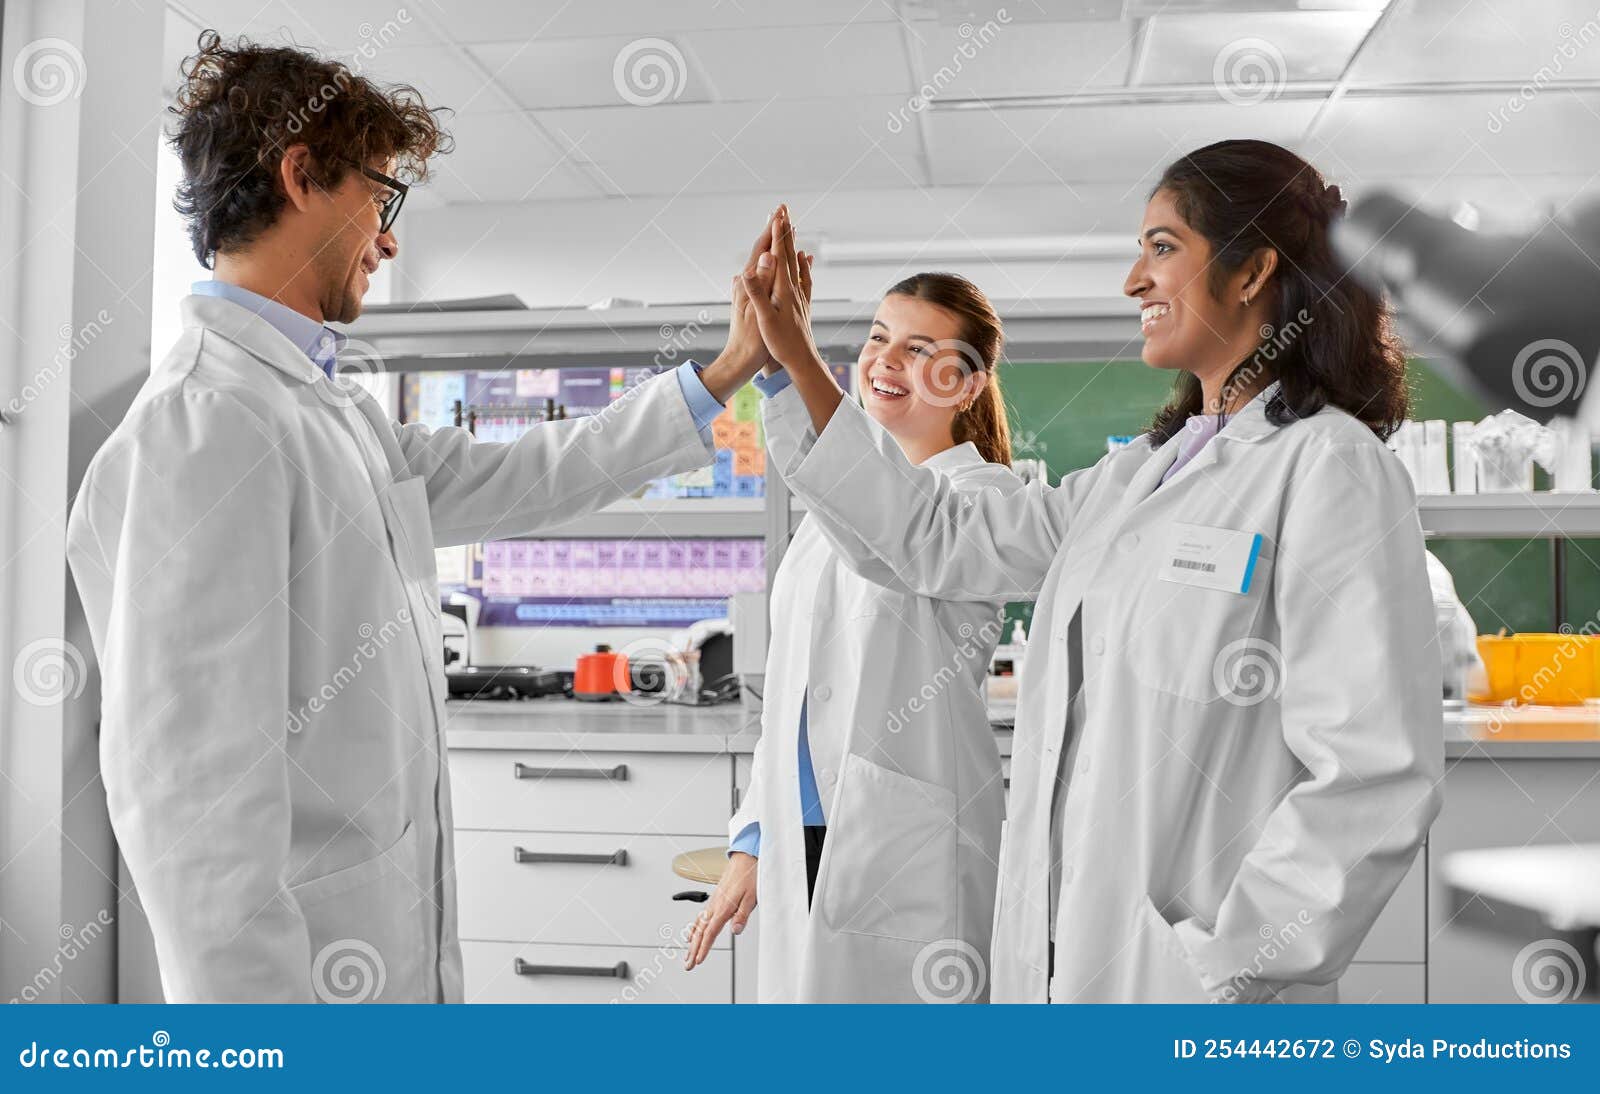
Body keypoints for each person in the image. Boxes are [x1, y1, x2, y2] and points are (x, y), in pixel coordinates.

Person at [64, 33, 771, 1003]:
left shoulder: (332, 412)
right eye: (380, 197)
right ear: (301, 172)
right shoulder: (204, 428)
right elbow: (196, 818)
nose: (388, 237)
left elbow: (534, 470)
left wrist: (720, 374)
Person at [740, 140, 1444, 1004]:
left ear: (1253, 270)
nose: (1133, 280)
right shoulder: (1136, 475)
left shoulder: (1328, 466)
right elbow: (931, 537)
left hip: (1188, 988)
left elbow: (1376, 771)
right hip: (1062, 956)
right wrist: (792, 368)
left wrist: (1228, 963)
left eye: (1161, 246)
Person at [682, 272, 1024, 1002]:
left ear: (966, 386)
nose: (886, 361)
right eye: (878, 339)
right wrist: (752, 838)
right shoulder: (830, 516)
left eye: (920, 349)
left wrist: (784, 368)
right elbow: (794, 703)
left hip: (904, 843)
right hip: (802, 834)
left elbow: (896, 531)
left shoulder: (984, 502)